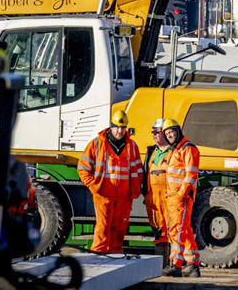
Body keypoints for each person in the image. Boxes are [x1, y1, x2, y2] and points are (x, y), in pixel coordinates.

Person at [77, 110, 142, 253]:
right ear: (111, 126)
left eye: (123, 127)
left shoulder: (132, 146)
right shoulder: (96, 144)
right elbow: (83, 167)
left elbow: (138, 170)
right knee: (103, 225)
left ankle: (115, 253)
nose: (120, 131)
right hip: (103, 193)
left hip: (124, 195)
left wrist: (135, 190)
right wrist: (93, 186)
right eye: (117, 127)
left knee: (120, 226)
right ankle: (98, 252)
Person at [161, 119, 201, 278]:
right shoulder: (175, 150)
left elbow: (191, 175)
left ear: (178, 131)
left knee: (177, 231)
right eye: (167, 133)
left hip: (181, 198)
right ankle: (192, 264)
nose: (170, 135)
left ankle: (175, 264)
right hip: (173, 198)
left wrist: (180, 195)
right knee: (185, 230)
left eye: (172, 131)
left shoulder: (188, 149)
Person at [142, 118, 171, 267]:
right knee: (158, 234)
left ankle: (170, 265)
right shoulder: (151, 152)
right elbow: (145, 174)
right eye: (153, 132)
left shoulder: (174, 152)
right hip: (153, 200)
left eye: (157, 132)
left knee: (170, 234)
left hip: (168, 200)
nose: (154, 134)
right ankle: (161, 266)